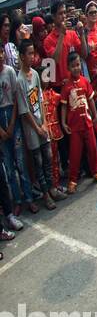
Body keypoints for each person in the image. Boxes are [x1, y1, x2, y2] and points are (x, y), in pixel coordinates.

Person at [17, 41, 59, 210]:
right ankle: (45, 194)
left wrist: (45, 122)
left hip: (41, 123)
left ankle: (52, 188)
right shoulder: (20, 80)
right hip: (31, 128)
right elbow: (24, 110)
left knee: (48, 157)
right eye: (28, 53)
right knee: (38, 161)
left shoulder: (35, 74)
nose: (32, 56)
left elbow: (40, 100)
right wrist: (37, 128)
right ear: (21, 56)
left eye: (33, 53)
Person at [59, 50, 97, 191]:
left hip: (87, 122)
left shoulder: (85, 81)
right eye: (73, 66)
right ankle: (72, 181)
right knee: (75, 154)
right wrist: (63, 123)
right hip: (74, 126)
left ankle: (96, 172)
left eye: (78, 65)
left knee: (92, 149)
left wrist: (94, 114)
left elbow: (90, 99)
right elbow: (64, 106)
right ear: (68, 67)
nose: (76, 68)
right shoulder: (66, 86)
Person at [0, 49, 35, 214]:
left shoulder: (9, 71)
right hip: (0, 121)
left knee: (20, 161)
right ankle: (18, 200)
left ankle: (29, 197)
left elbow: (15, 99)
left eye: (0, 52)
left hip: (12, 116)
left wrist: (13, 123)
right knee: (8, 164)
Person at [41, 2, 83, 86]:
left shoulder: (72, 34)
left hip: (76, 81)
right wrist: (62, 35)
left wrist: (82, 34)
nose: (64, 16)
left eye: (64, 12)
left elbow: (84, 54)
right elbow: (55, 60)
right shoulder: (48, 40)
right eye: (60, 13)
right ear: (53, 16)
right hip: (59, 85)